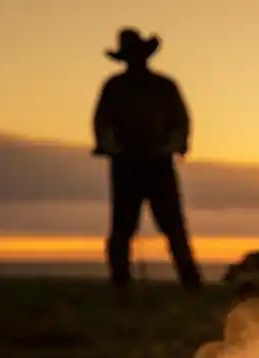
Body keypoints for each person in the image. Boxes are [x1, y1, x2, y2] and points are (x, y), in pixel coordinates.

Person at [93, 28, 202, 289]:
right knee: (123, 227)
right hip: (127, 164)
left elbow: (181, 122)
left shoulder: (163, 86)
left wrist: (170, 146)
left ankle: (190, 281)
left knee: (173, 226)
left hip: (157, 163)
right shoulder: (115, 87)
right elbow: (102, 123)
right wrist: (112, 146)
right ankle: (120, 281)